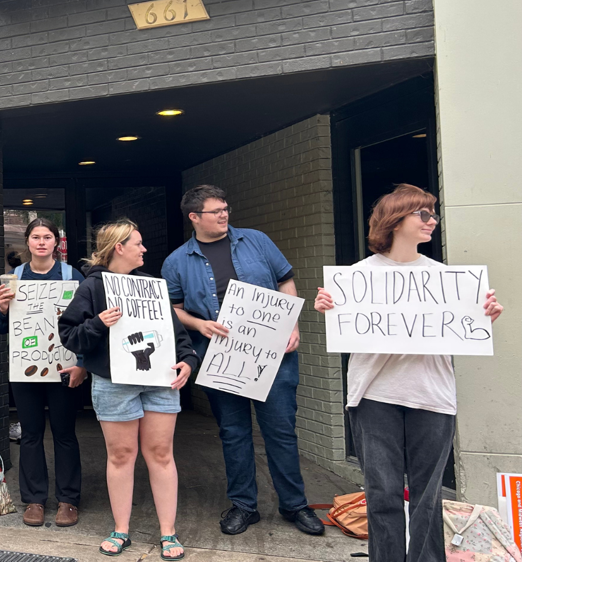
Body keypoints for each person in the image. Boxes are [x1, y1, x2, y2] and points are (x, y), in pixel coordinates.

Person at [314, 185, 502, 562]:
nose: (433, 221)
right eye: (424, 214)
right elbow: (350, 327)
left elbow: (463, 330)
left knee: (427, 497)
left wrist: (484, 315)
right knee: (381, 493)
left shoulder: (447, 279)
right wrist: (329, 309)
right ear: (395, 220)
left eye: (433, 214)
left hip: (432, 396)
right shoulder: (356, 277)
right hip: (373, 397)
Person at [161, 184, 323, 537]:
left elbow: (286, 281)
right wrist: (199, 323)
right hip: (221, 358)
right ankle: (244, 506)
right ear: (194, 217)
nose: (224, 215)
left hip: (273, 356)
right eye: (216, 211)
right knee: (233, 433)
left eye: (225, 208)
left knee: (280, 432)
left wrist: (292, 323)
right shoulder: (176, 261)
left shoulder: (256, 241)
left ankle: (294, 505)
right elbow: (173, 309)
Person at [58, 220, 197, 560]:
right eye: (138, 243)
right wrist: (97, 323)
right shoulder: (92, 288)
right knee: (121, 457)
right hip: (114, 383)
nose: (144, 249)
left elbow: (177, 335)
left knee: (161, 454)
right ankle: (121, 530)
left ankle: (169, 532)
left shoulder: (153, 286)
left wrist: (188, 361)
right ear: (119, 247)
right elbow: (70, 335)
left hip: (160, 382)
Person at [0, 217, 87, 527]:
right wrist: (3, 309)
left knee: (64, 434)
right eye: (36, 237)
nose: (42, 242)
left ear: (55, 242)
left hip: (63, 367)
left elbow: (86, 323)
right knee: (31, 435)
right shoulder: (14, 277)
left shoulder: (72, 275)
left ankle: (68, 500)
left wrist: (83, 364)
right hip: (26, 368)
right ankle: (33, 500)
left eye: (48, 237)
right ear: (28, 242)